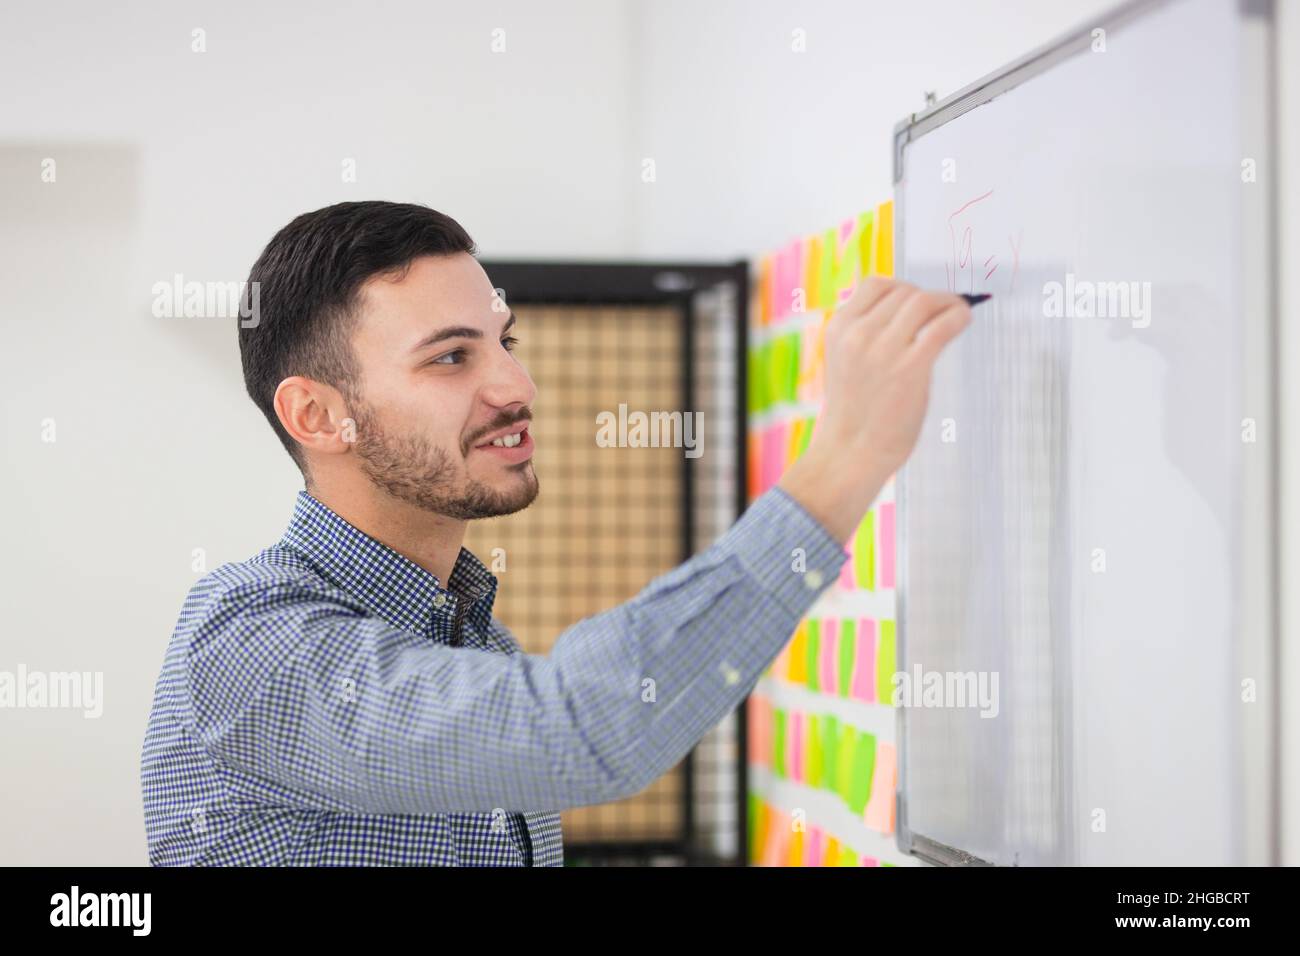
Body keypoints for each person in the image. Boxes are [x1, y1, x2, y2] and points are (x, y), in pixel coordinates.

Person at [140, 200, 972, 866]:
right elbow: (585, 727)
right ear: (318, 416)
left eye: (505, 341)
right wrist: (847, 458)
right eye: (451, 358)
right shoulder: (248, 643)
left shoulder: (474, 640)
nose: (517, 382)